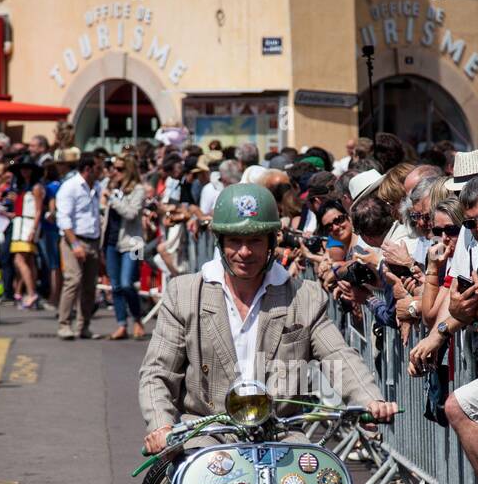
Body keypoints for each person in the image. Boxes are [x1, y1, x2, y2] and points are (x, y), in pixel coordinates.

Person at [139, 183, 396, 454]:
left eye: (255, 241)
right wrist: (161, 425)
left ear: (272, 242)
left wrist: (370, 400)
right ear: (221, 242)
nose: (245, 252)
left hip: (280, 433)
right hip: (206, 435)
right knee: (190, 483)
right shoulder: (186, 293)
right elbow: (158, 371)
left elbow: (338, 355)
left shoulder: (303, 296)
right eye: (235, 241)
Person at [55, 155, 104, 340]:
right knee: (73, 280)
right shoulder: (70, 187)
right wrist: (75, 244)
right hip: (73, 240)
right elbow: (64, 219)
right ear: (88, 169)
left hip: (92, 239)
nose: (102, 172)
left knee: (90, 285)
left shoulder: (96, 187)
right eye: (99, 168)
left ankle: (84, 326)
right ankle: (64, 324)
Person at [103, 154, 148, 341]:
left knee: (127, 283)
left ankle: (137, 319)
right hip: (111, 242)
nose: (115, 172)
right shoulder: (112, 187)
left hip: (134, 242)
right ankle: (121, 324)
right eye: (114, 168)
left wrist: (112, 200)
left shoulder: (138, 190)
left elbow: (131, 213)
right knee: (115, 286)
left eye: (120, 169)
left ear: (129, 170)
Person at [5, 155, 45, 310]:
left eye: (27, 168)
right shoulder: (22, 187)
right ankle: (26, 292)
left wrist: (34, 229)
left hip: (28, 225)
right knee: (28, 262)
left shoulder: (36, 187)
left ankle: (31, 292)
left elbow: (38, 210)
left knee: (19, 260)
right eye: (22, 168)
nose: (24, 171)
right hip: (20, 224)